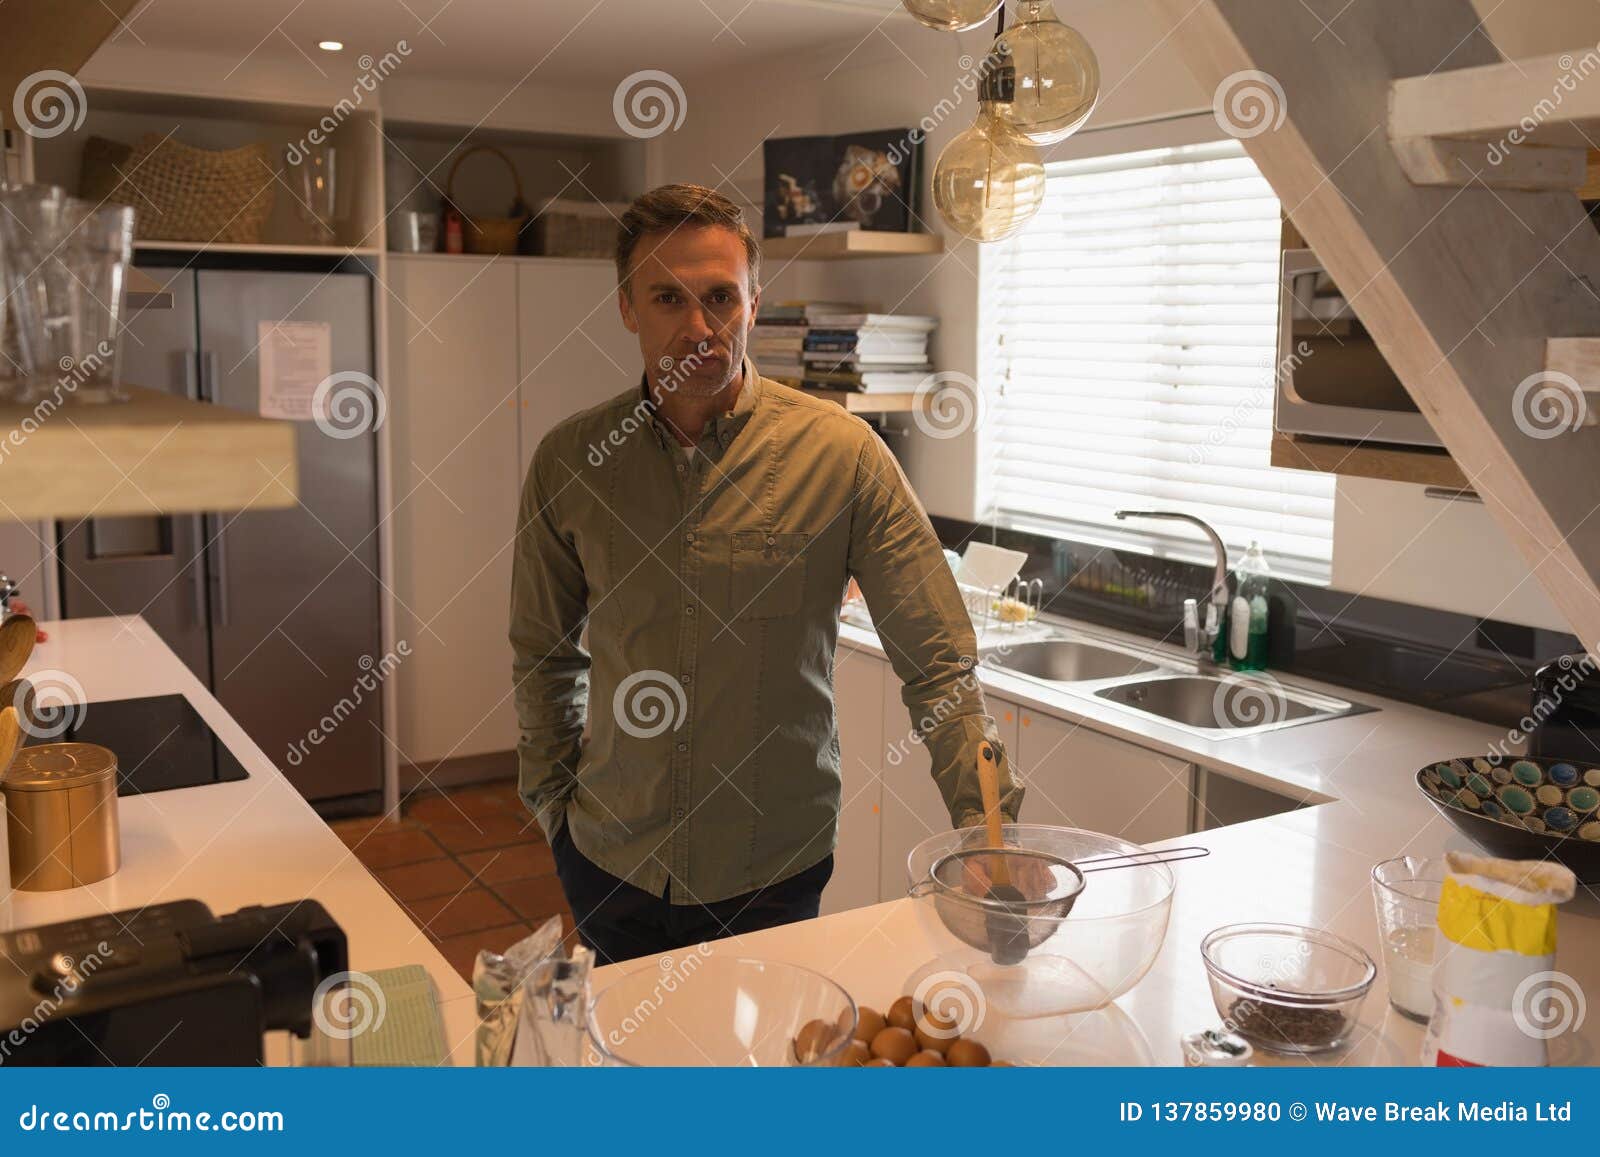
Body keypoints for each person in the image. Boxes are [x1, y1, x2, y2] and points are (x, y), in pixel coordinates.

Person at [510, 183, 1020, 964]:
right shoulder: (572, 463)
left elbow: (940, 662)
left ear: (754, 299)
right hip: (613, 862)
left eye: (720, 297)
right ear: (626, 306)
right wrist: (553, 809)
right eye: (667, 299)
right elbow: (544, 653)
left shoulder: (843, 457)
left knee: (771, 1069)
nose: (698, 327)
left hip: (772, 869)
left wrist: (988, 835)